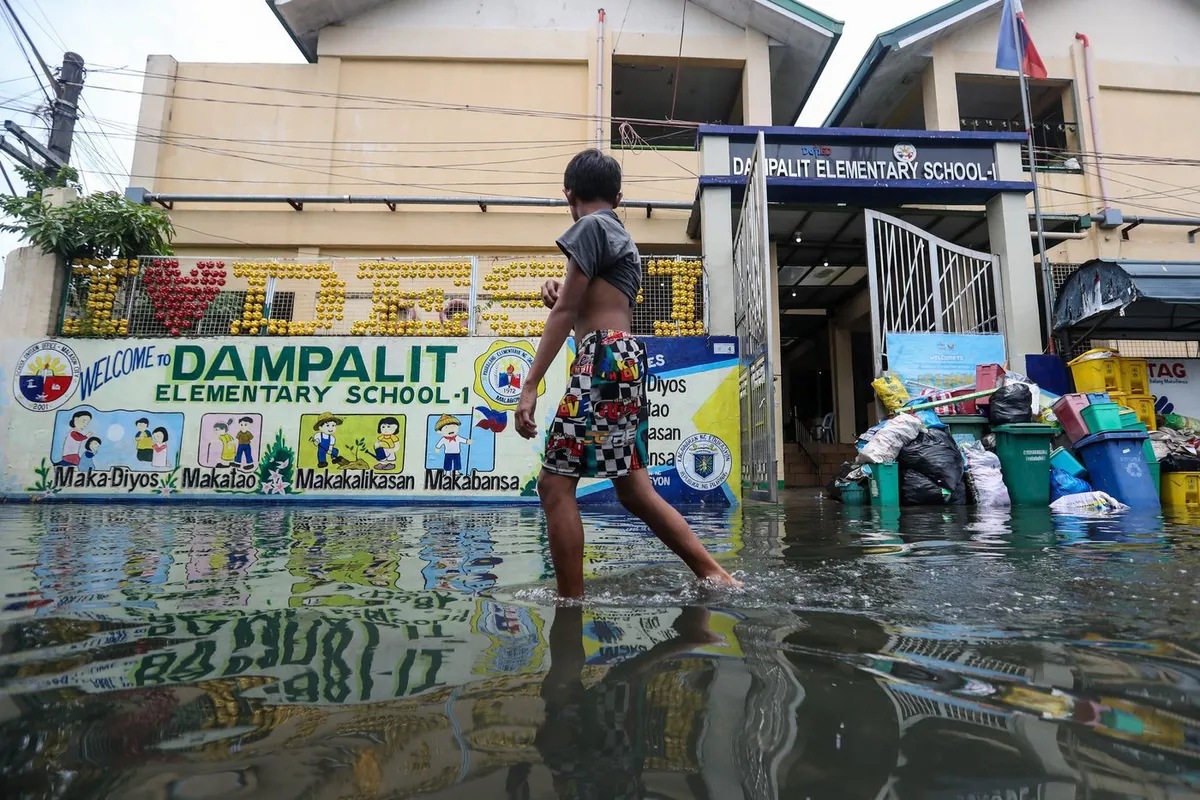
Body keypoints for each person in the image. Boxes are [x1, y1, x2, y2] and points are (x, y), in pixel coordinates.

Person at [514, 149, 739, 598]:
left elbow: (568, 313)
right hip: (624, 359)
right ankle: (715, 575)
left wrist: (530, 383)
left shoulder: (590, 226)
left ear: (568, 195)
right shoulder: (618, 233)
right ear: (619, 196)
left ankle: (569, 601)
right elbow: (592, 299)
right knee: (633, 490)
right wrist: (562, 293)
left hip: (600, 358)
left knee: (554, 484)